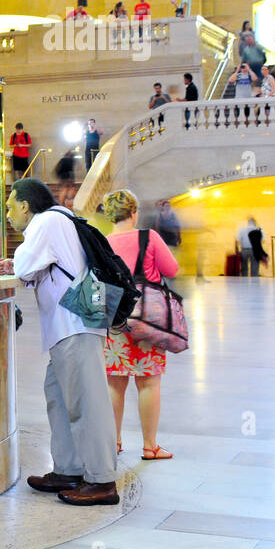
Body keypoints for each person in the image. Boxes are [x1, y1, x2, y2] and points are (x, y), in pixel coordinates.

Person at [0, 178, 117, 504]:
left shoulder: (46, 220)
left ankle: (102, 480)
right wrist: (17, 266)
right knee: (60, 398)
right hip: (68, 327)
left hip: (75, 324)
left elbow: (24, 265)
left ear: (25, 205)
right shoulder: (58, 220)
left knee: (86, 404)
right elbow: (34, 270)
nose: (7, 214)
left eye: (10, 207)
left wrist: (15, 264)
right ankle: (68, 469)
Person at [100, 190, 179, 461]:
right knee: (149, 383)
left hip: (116, 318)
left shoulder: (105, 243)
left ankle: (114, 443)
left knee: (114, 384)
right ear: (134, 212)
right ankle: (150, 446)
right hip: (148, 318)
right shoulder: (149, 237)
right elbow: (172, 269)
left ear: (110, 215)